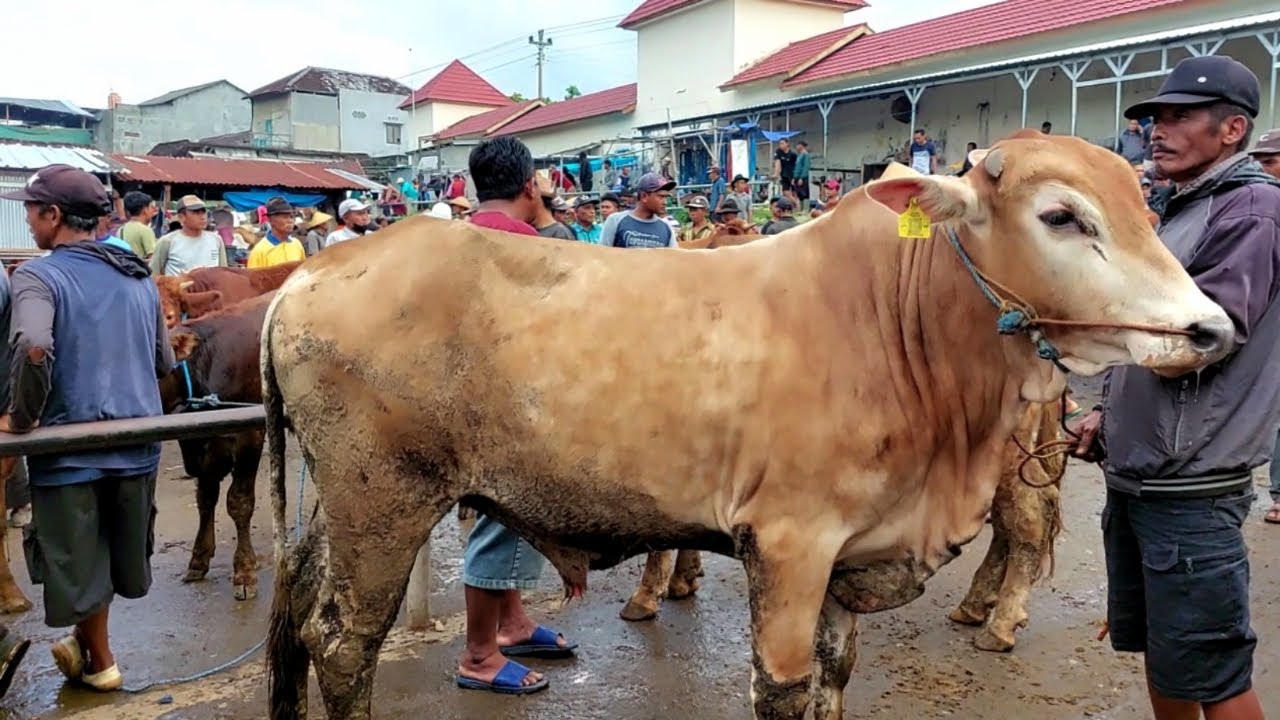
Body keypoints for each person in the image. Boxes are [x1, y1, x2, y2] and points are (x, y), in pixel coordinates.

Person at [1072, 55, 1280, 720]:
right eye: (1154, 118)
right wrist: (1104, 411)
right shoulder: (1176, 210)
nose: (1157, 130)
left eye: (1180, 116)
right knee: (1167, 656)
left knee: (1215, 674)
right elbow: (1141, 338)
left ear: (1231, 130)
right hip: (1142, 480)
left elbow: (1199, 341)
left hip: (1191, 488)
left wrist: (1079, 334)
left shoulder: (1253, 210)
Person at [0, 163, 173, 692]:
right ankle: (97, 656)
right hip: (136, 444)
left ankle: (98, 657)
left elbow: (33, 346)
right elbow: (164, 360)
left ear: (54, 215)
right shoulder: (137, 275)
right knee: (109, 554)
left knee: (78, 557)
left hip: (69, 449)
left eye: (31, 210)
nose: (27, 221)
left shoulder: (38, 275)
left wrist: (21, 418)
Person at [454, 136, 576, 696]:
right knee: (503, 520)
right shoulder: (528, 246)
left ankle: (513, 623)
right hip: (509, 406)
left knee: (500, 519)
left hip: (460, 399)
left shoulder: (455, 239)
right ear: (531, 186)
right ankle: (479, 656)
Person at [151, 195, 227, 275]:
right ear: (181, 217)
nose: (203, 217)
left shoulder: (216, 240)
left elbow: (223, 273)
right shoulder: (168, 241)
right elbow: (154, 274)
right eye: (196, 213)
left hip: (212, 287)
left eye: (204, 212)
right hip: (180, 286)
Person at [599, 173, 678, 248]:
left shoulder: (666, 228)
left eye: (666, 197)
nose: (665, 202)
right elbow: (602, 256)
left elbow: (673, 259)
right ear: (644, 196)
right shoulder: (616, 221)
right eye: (660, 197)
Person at [247, 197, 306, 268]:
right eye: (285, 217)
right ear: (270, 220)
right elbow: (253, 278)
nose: (290, 221)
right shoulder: (259, 251)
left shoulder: (297, 245)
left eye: (291, 217)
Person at [118, 192, 158, 260]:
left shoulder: (121, 229)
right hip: (139, 269)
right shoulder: (145, 230)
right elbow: (153, 259)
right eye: (151, 207)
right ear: (145, 210)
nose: (154, 210)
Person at [792, 141, 811, 208]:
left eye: (797, 145)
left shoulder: (806, 155)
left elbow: (806, 167)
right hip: (797, 177)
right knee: (799, 194)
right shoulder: (799, 155)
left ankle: (805, 210)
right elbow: (797, 167)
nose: (796, 147)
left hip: (802, 177)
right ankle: (800, 209)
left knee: (804, 194)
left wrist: (802, 178)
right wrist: (794, 177)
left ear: (801, 146)